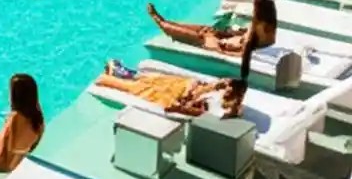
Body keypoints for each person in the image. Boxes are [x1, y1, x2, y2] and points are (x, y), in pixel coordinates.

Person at [147, 0, 277, 57]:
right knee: (206, 29)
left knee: (199, 36)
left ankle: (159, 21)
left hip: (216, 44)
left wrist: (221, 49)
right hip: (221, 37)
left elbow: (236, 55)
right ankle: (166, 21)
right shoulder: (258, 35)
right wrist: (231, 34)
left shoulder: (252, 47)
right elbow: (240, 36)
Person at [94, 70, 248, 118]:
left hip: (177, 98)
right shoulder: (225, 99)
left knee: (140, 89)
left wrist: (179, 106)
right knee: (154, 80)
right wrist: (211, 86)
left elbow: (188, 109)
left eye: (229, 87)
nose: (226, 87)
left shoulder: (222, 111)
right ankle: (123, 73)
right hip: (186, 89)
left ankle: (106, 80)